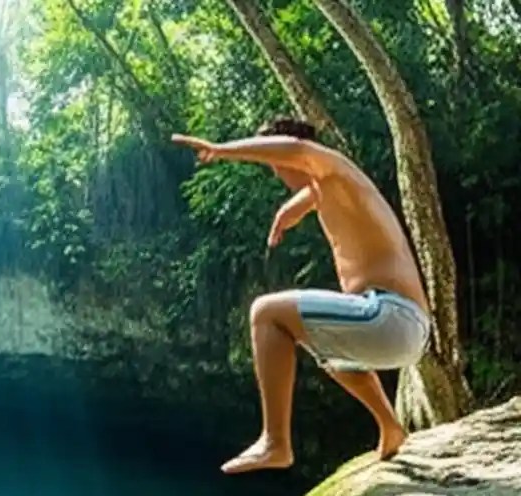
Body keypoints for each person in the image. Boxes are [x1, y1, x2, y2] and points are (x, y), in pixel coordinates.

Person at [171, 117, 431, 474]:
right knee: (327, 351)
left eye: (277, 165)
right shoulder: (327, 188)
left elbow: (297, 151)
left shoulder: (334, 166)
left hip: (390, 316)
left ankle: (275, 442)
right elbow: (305, 195)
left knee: (266, 313)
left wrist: (220, 150)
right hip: (405, 330)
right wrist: (284, 215)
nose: (279, 174)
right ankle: (390, 426)